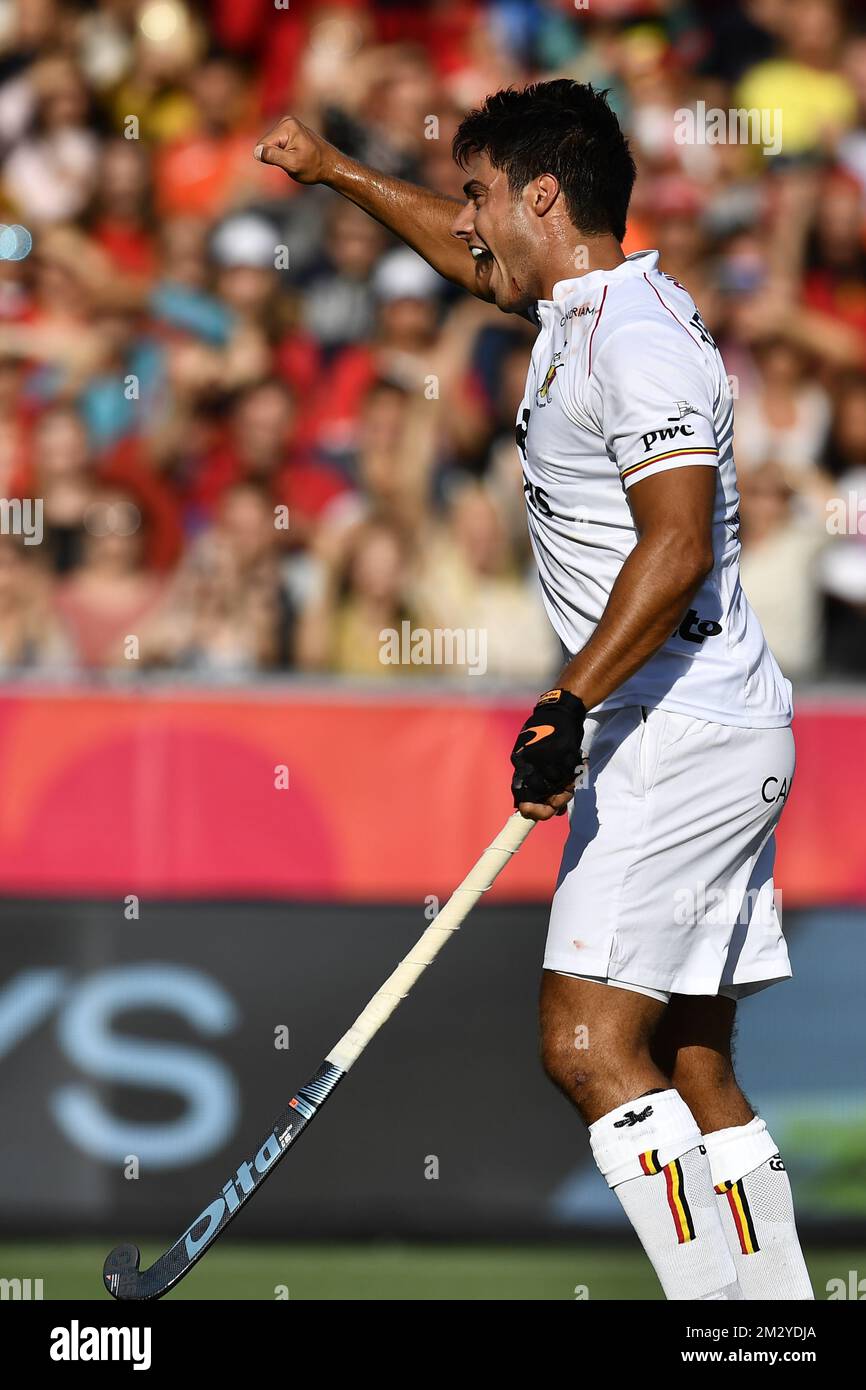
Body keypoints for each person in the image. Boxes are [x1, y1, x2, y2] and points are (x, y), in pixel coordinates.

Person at [254, 79, 813, 1302]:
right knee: (688, 1060)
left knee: (585, 1045)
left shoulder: (637, 341)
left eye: (477, 196)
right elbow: (470, 270)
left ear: (541, 196)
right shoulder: (581, 308)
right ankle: (771, 1320)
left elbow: (670, 547)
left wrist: (566, 702)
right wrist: (340, 173)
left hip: (672, 728)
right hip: (699, 721)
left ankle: (720, 1322)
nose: (464, 224)